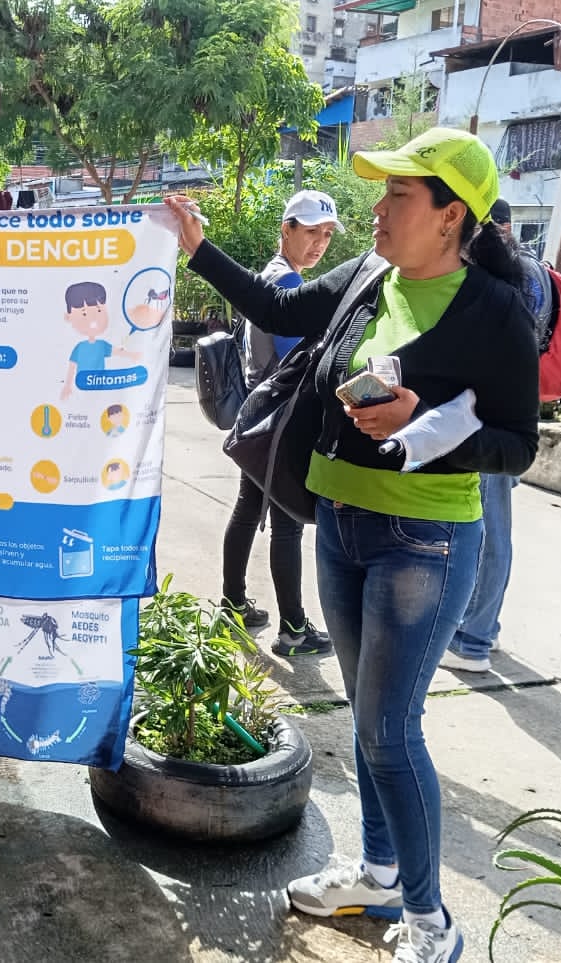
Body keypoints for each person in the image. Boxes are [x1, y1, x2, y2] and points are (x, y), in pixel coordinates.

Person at [167, 128, 539, 963]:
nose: (377, 208)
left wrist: (423, 424)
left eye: (399, 194)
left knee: (389, 729)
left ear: (451, 217)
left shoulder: (492, 311)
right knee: (367, 721)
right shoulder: (371, 277)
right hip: (337, 524)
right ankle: (376, 872)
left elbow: (518, 442)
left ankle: (433, 920)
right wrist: (200, 249)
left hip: (426, 541)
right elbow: (280, 309)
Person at [222, 190, 343, 657]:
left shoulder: (273, 277)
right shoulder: (289, 286)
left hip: (260, 417)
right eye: (311, 231)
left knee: (248, 509)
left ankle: (232, 603)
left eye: (327, 235)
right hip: (281, 422)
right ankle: (293, 628)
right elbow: (304, 358)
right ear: (286, 229)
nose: (319, 243)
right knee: (287, 523)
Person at [440, 198, 541, 674]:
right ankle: (487, 627)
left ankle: (474, 640)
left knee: (486, 535)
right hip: (511, 417)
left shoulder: (485, 284)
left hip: (487, 426)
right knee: (496, 532)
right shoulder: (529, 273)